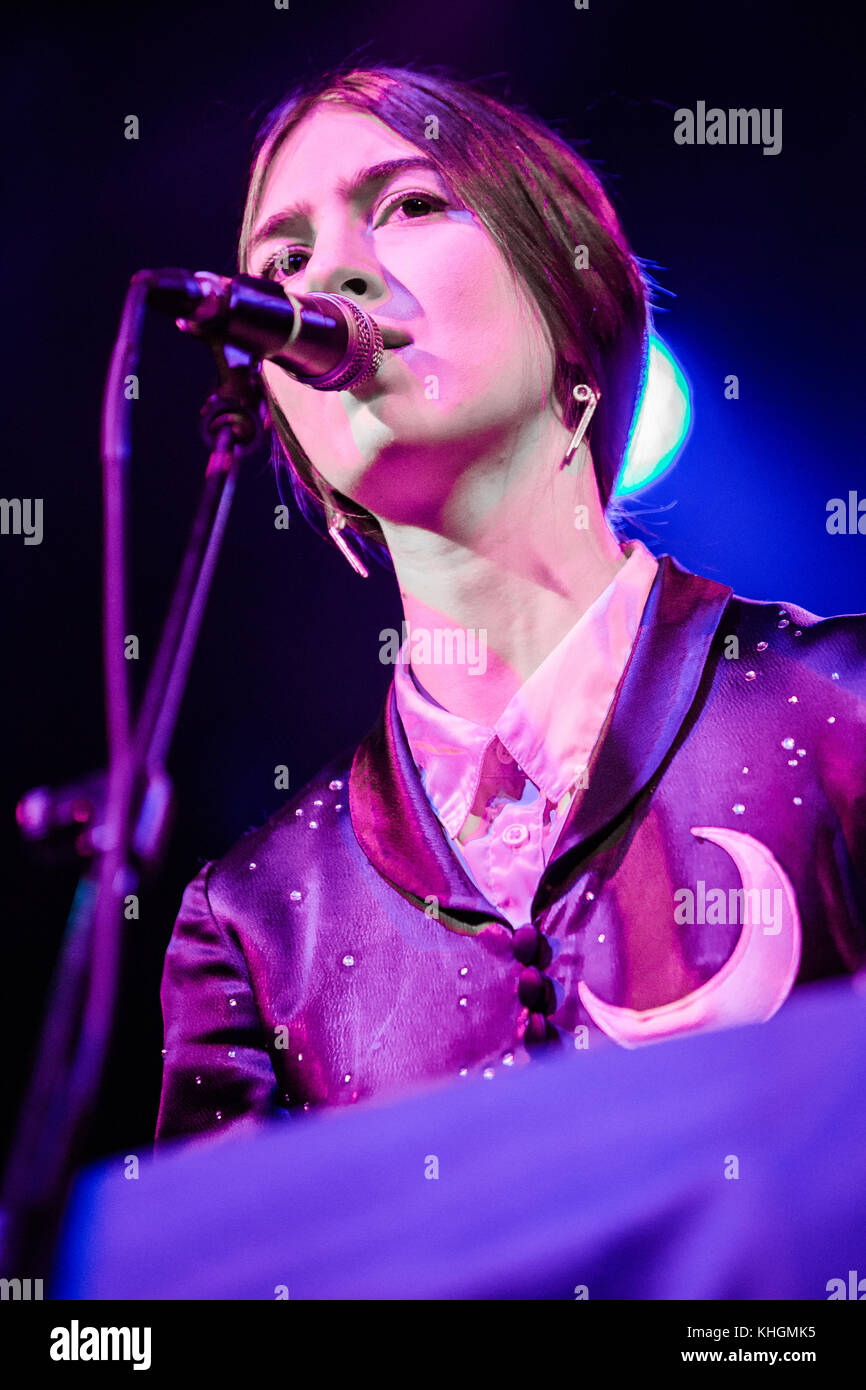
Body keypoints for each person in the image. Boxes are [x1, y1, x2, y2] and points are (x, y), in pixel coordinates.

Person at [154, 63, 866, 1149]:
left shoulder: (836, 711)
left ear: (569, 299)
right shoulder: (254, 923)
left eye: (408, 205)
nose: (328, 273)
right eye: (282, 261)